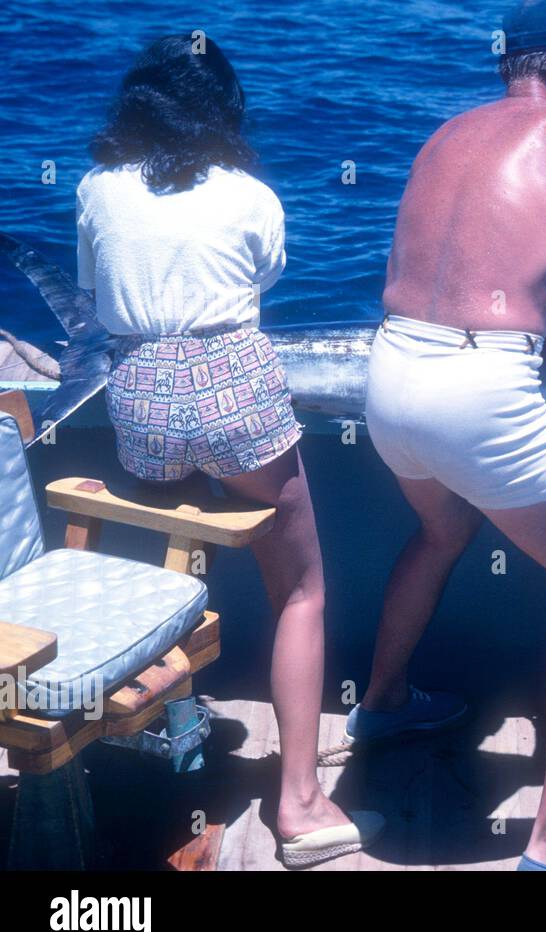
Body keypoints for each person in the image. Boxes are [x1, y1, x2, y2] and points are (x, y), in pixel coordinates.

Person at [77, 33, 387, 868]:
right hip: (234, 391)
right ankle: (297, 806)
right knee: (302, 591)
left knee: (168, 577)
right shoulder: (249, 193)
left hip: (138, 399)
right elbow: (265, 278)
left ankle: (165, 750)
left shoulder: (97, 187)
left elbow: (95, 293)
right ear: (224, 110)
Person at [358, 0, 546, 870]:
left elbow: (445, 272)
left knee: (444, 530)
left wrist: (528, 307)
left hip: (392, 374)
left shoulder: (447, 133)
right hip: (479, 399)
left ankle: (380, 702)